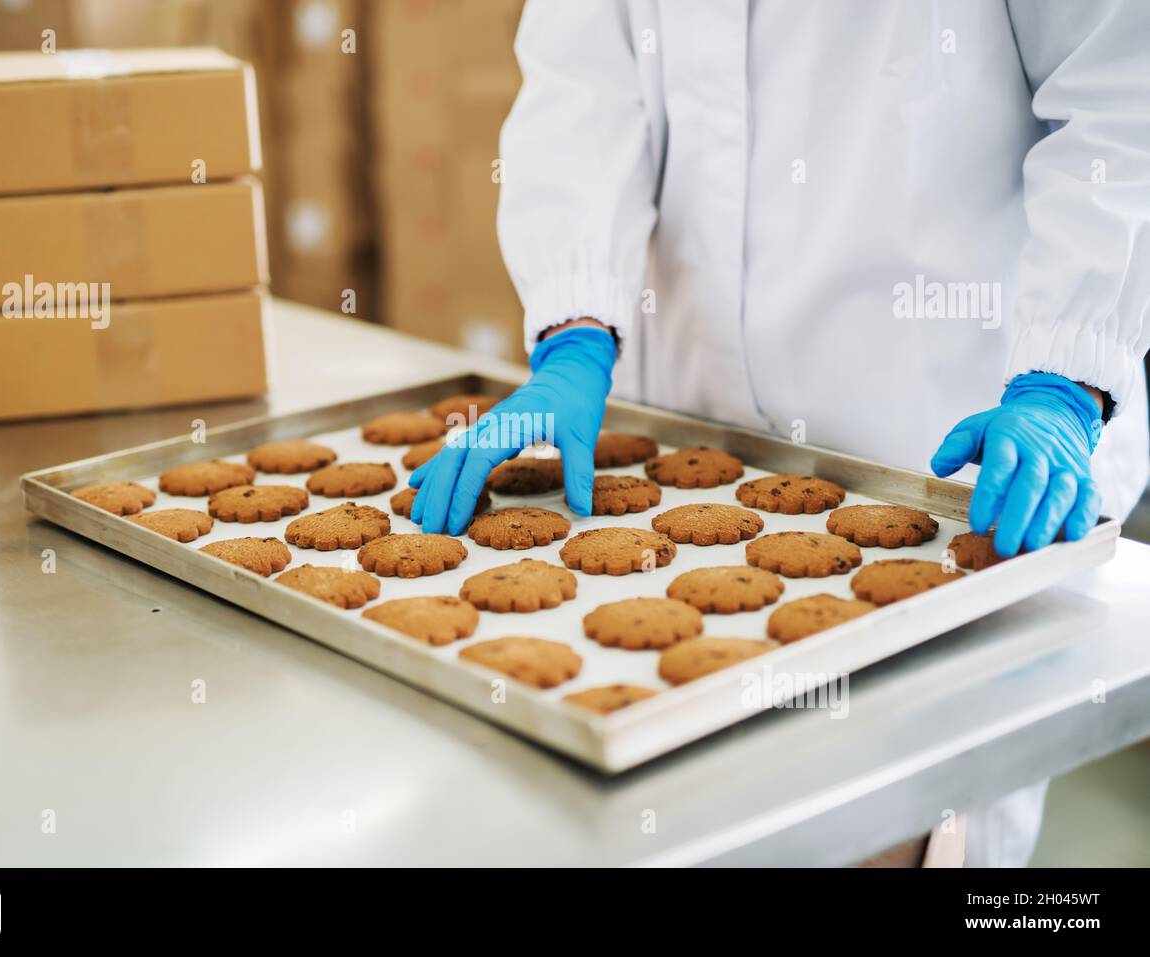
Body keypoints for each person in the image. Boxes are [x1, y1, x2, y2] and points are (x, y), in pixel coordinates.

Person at [409, 0, 1150, 865]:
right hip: (676, 458)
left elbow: (1122, 94)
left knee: (908, 818)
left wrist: (1068, 364)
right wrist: (574, 325)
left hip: (952, 462)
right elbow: (582, 87)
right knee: (677, 807)